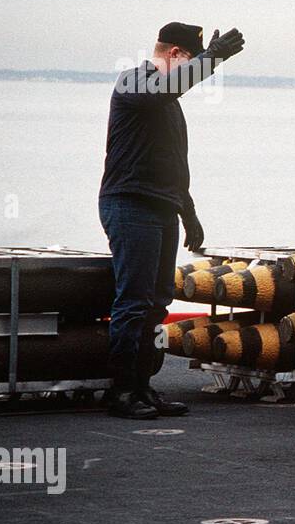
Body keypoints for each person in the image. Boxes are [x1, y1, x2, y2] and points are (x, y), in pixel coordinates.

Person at [98, 22, 245, 419]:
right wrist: (211, 59)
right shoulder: (134, 82)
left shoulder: (168, 104)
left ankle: (144, 387)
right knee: (134, 301)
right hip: (130, 204)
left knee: (158, 302)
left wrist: (189, 212)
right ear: (176, 55)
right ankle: (122, 391)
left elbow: (173, 165)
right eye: (189, 61)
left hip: (163, 207)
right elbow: (169, 86)